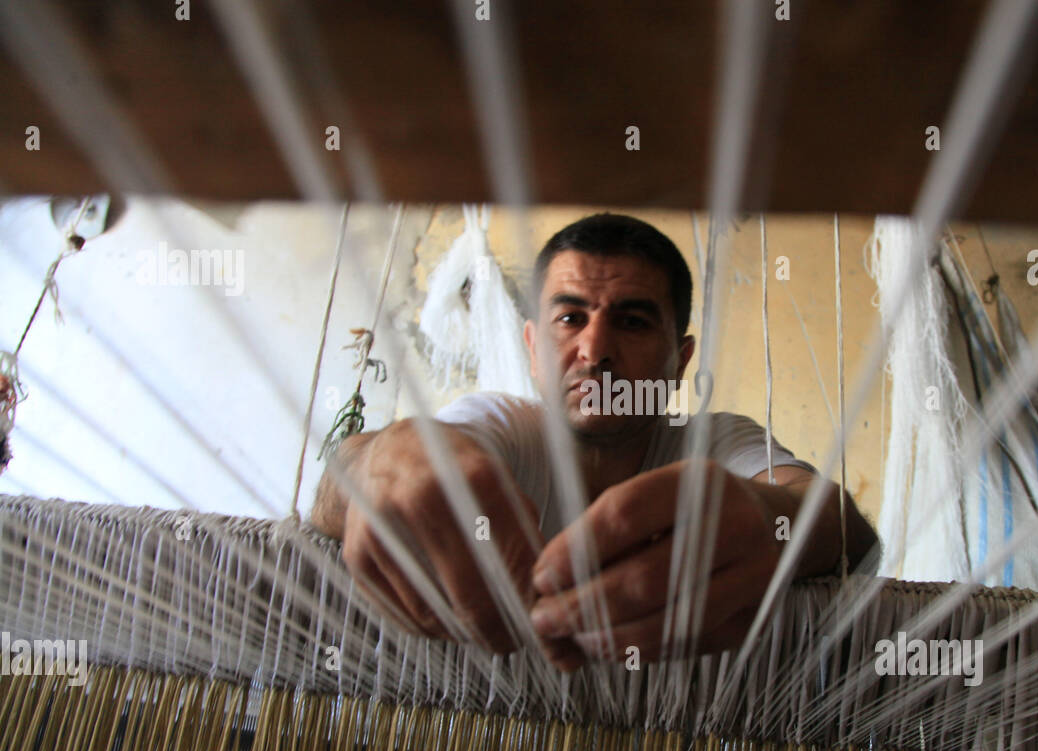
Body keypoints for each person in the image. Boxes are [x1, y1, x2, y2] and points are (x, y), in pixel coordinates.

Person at [311, 213, 877, 671]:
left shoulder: (714, 443)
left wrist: (766, 517)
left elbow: (839, 521)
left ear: (678, 362)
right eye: (570, 318)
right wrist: (375, 460)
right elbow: (362, 477)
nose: (595, 349)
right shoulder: (503, 427)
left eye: (631, 323)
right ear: (533, 349)